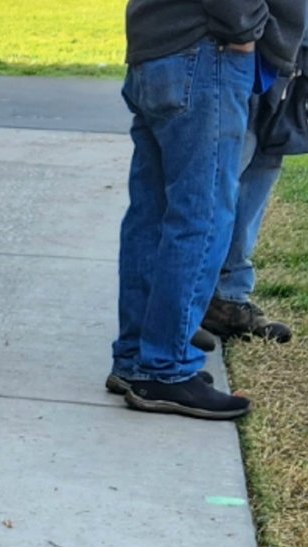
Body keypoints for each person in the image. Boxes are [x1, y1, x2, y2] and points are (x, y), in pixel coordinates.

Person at [110, 1, 267, 419]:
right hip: (205, 53)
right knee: (201, 216)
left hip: (156, 48)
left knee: (151, 218)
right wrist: (245, 30)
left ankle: (135, 360)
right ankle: (166, 367)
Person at [202, 25, 308, 345]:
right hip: (244, 45)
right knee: (219, 178)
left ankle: (228, 297)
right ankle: (185, 302)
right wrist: (244, 33)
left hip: (291, 53)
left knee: (263, 166)